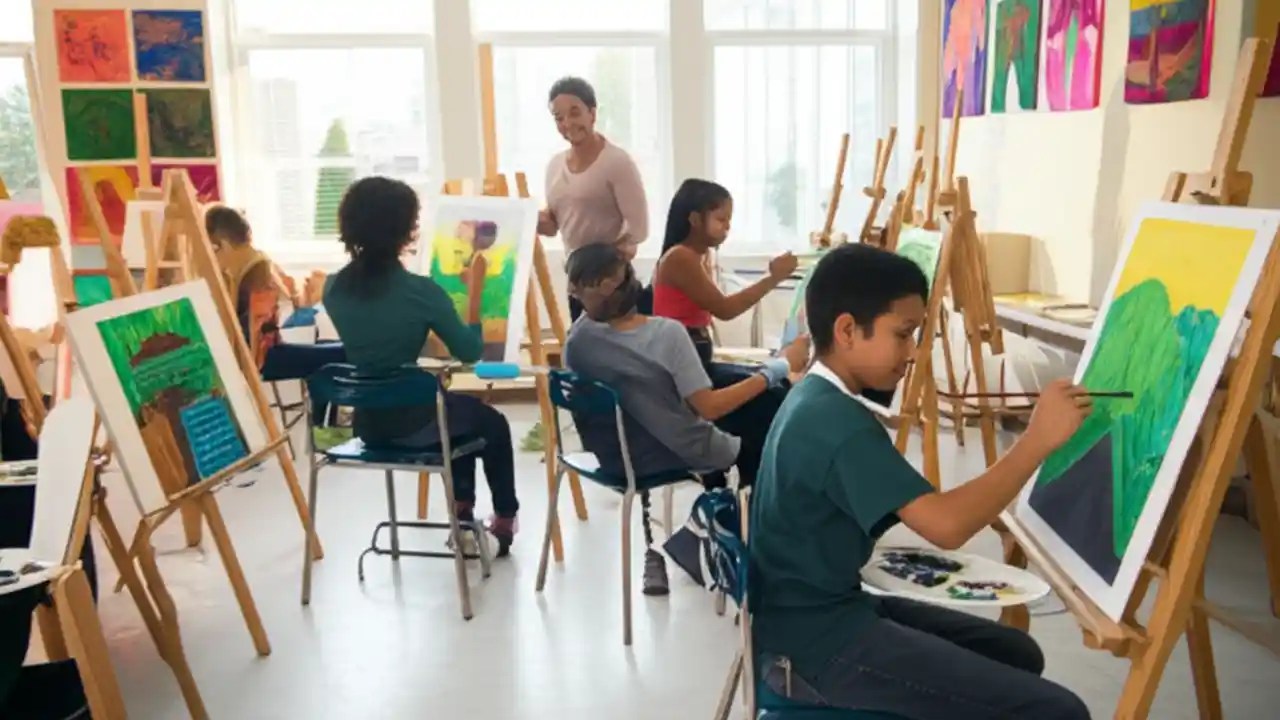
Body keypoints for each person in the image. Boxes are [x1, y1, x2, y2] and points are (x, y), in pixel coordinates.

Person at [749, 243, 1091, 718]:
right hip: (814, 647)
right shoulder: (836, 422)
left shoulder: (813, 394)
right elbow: (946, 526)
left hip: (814, 615)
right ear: (847, 330)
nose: (912, 354)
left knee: (1017, 652)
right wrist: (1035, 442)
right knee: (1059, 711)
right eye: (903, 334)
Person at [563, 243, 808, 595]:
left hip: (616, 452)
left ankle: (717, 518)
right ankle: (746, 543)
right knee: (767, 425)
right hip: (667, 451)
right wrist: (779, 367)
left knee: (746, 408)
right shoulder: (667, 334)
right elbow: (709, 408)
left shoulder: (580, 340)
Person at [321, 177, 519, 555]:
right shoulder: (422, 292)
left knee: (455, 411)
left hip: (368, 426)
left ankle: (462, 513)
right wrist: (474, 297)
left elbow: (376, 335)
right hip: (415, 425)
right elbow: (471, 351)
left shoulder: (333, 288)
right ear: (406, 230)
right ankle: (505, 520)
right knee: (489, 423)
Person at [538, 76, 650, 320]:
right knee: (584, 351)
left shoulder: (616, 162)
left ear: (592, 113)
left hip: (610, 288)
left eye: (575, 113)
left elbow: (639, 229)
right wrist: (525, 218)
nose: (567, 123)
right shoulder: (554, 166)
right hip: (576, 283)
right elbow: (554, 225)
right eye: (559, 118)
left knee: (617, 352)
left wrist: (607, 267)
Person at [204, 205, 346, 380]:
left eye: (213, 252)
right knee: (343, 351)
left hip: (264, 358)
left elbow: (253, 346)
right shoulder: (255, 264)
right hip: (265, 353)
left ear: (223, 245)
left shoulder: (256, 274)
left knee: (344, 353)